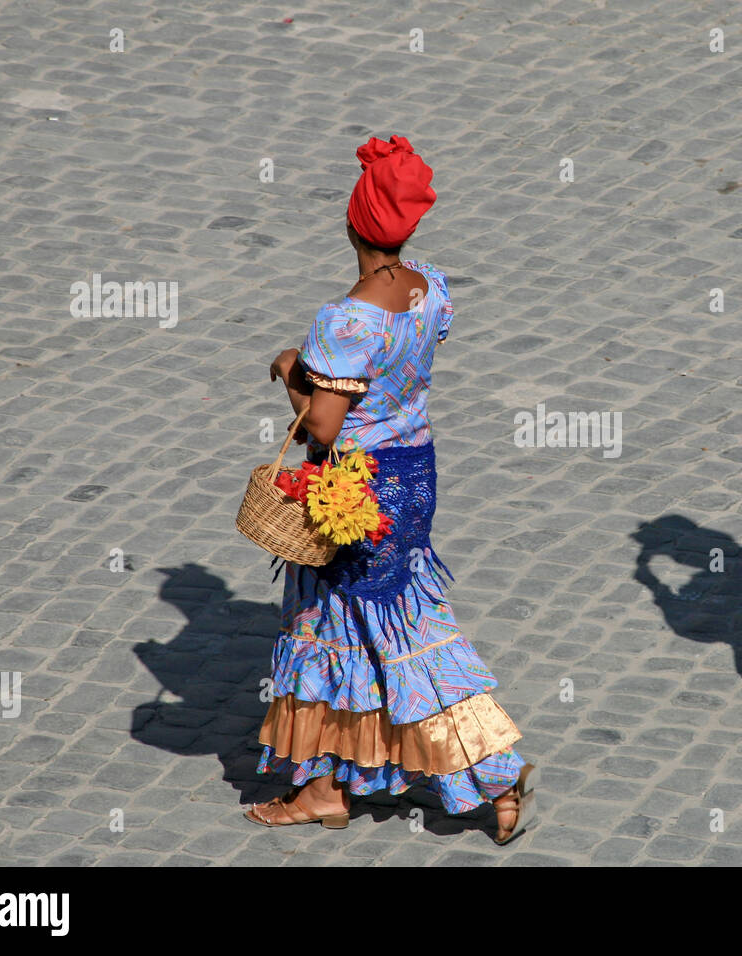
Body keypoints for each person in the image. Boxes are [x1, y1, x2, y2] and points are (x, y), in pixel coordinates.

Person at [246, 135, 536, 842]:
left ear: (352, 223)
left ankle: (495, 767)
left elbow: (322, 426)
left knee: (373, 627)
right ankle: (324, 785)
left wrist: (291, 370)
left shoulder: (347, 320)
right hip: (415, 476)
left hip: (356, 491)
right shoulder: (430, 287)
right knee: (348, 623)